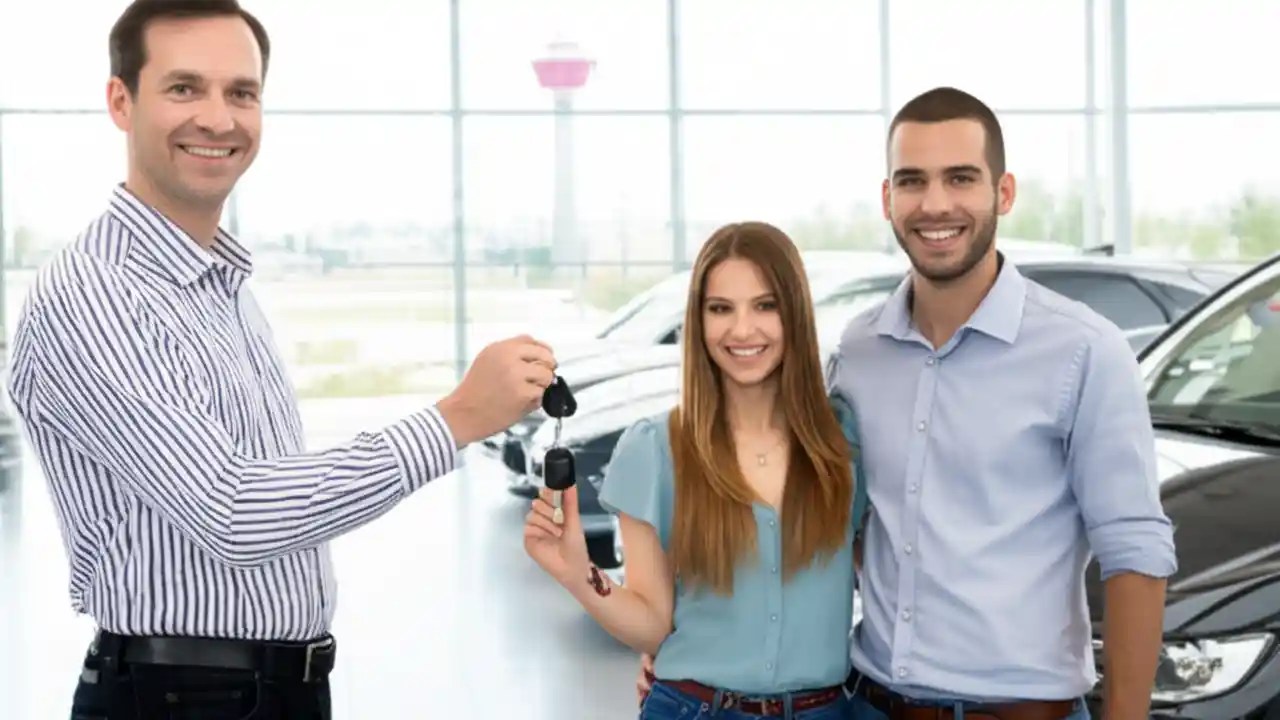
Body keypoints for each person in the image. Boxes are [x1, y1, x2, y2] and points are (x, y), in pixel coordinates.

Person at [4, 1, 557, 718]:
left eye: (242, 93)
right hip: (184, 697)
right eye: (183, 88)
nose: (218, 118)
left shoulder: (219, 287)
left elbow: (267, 491)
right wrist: (455, 419)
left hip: (262, 690)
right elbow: (235, 512)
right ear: (121, 101)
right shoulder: (97, 294)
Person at [639, 87, 1178, 720]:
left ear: (1003, 193)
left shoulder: (1084, 351)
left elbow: (1135, 551)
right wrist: (695, 655)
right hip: (865, 707)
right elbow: (833, 534)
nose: (936, 204)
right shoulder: (857, 352)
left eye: (960, 178)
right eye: (913, 181)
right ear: (888, 198)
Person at [524, 221, 870, 720]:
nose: (742, 329)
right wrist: (580, 573)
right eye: (720, 309)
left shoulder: (844, 444)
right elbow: (652, 625)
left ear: (794, 313)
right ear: (698, 321)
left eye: (765, 305)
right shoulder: (655, 449)